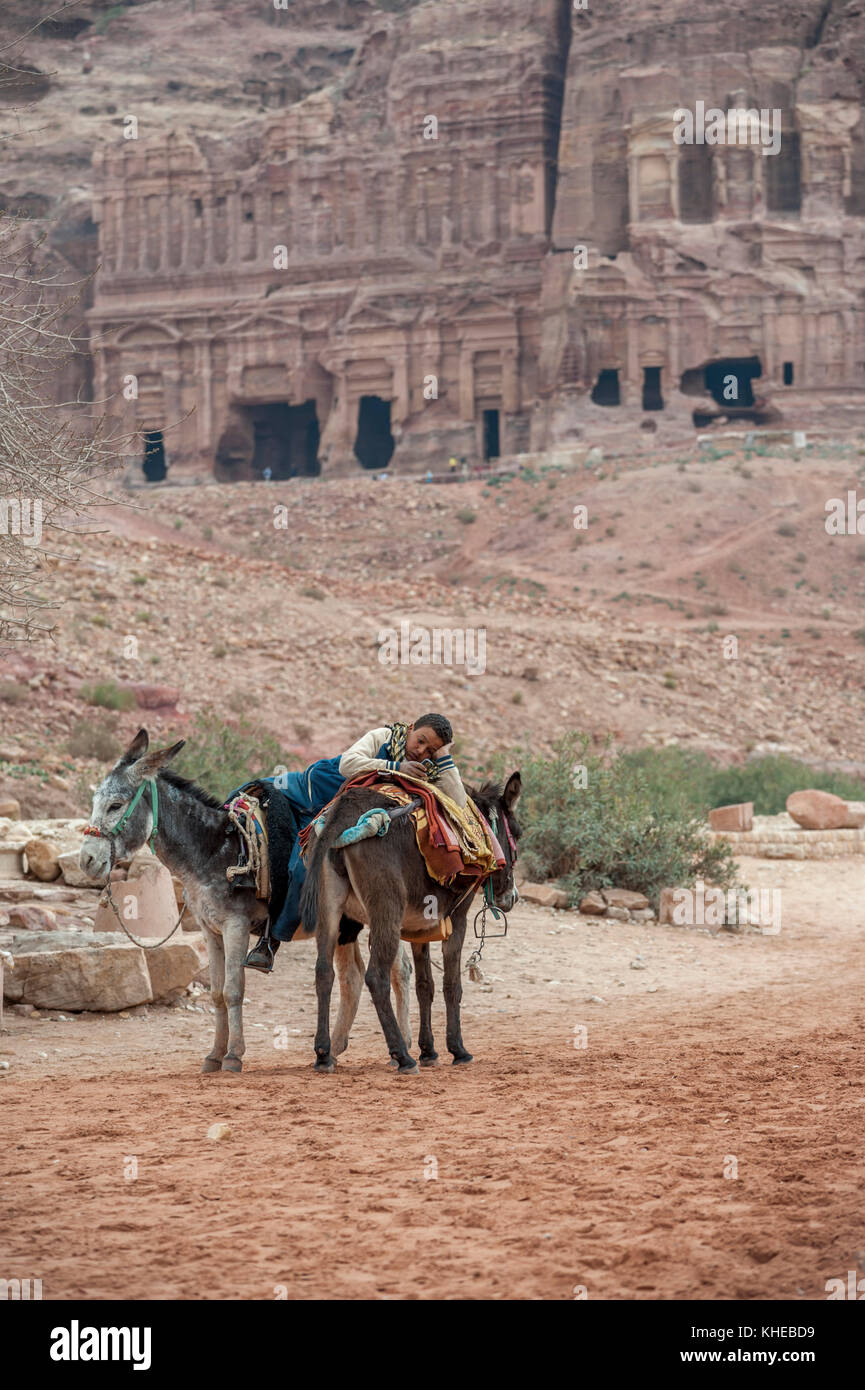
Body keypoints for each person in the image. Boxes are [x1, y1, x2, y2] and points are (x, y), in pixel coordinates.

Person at [243, 714, 464, 972]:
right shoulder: (384, 738)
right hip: (307, 789)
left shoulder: (428, 770)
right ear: (412, 728)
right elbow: (348, 763)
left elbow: (458, 802)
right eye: (420, 740)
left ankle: (273, 938)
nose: (421, 750)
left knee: (301, 869)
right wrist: (395, 768)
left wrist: (445, 759)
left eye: (431, 750)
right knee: (243, 795)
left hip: (330, 813)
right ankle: (263, 934)